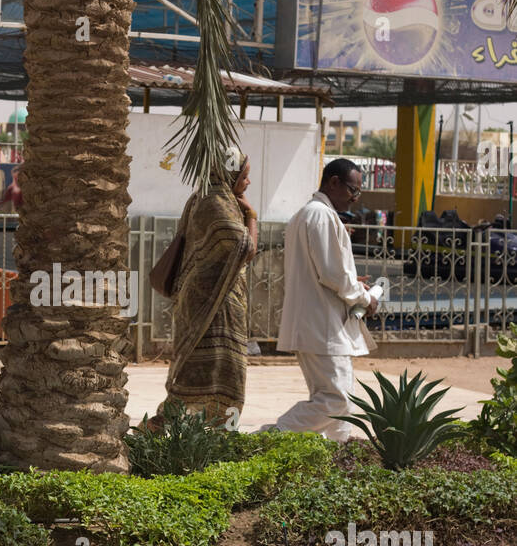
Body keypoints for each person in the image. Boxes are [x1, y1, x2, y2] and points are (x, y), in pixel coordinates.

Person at [273, 157, 378, 441]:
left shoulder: (309, 215)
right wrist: (365, 298)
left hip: (319, 325)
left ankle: (335, 455)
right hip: (322, 327)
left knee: (343, 402)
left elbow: (323, 271)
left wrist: (353, 285)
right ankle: (270, 437)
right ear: (334, 183)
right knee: (337, 401)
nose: (355, 199)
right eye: (353, 191)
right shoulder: (319, 215)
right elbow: (334, 275)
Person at [157, 153, 258, 425]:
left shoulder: (203, 197)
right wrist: (252, 215)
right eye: (244, 175)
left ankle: (199, 434)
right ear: (229, 174)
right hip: (214, 305)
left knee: (206, 370)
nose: (247, 181)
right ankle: (166, 427)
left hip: (206, 300)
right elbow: (245, 248)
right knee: (216, 372)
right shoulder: (216, 202)